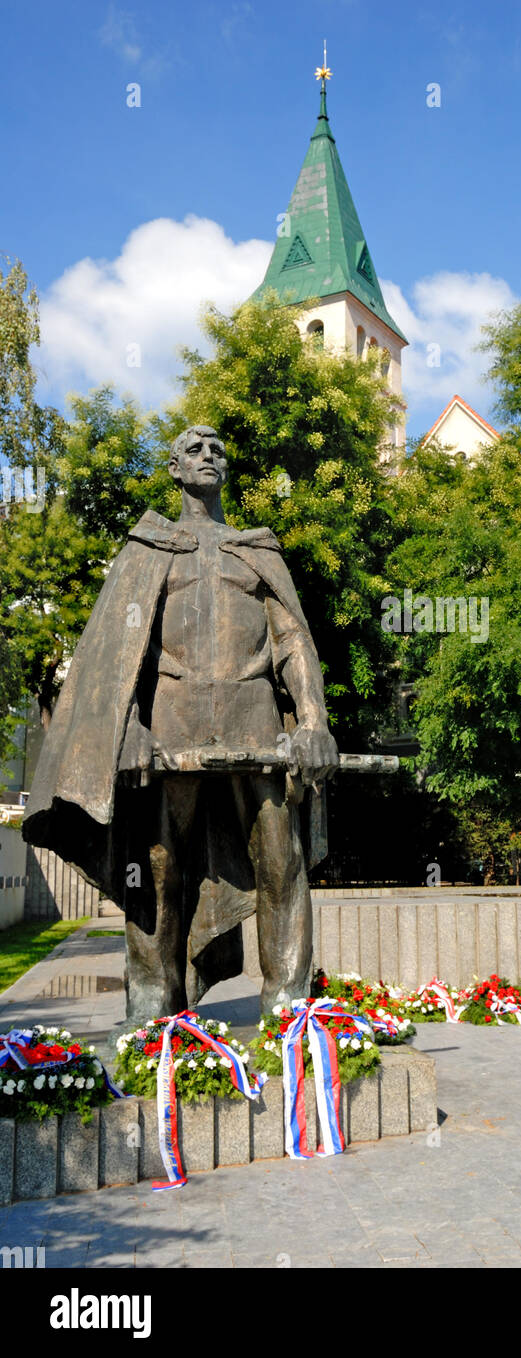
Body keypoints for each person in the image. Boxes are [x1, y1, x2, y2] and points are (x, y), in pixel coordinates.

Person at [23, 426, 338, 1020]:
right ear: (175, 468)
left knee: (282, 862)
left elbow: (293, 640)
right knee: (156, 871)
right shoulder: (148, 549)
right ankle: (152, 1009)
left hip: (256, 722)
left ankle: (289, 1008)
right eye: (195, 450)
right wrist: (129, 726)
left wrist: (313, 720)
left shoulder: (255, 549)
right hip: (172, 725)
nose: (209, 456)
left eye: (218, 449)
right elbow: (123, 654)